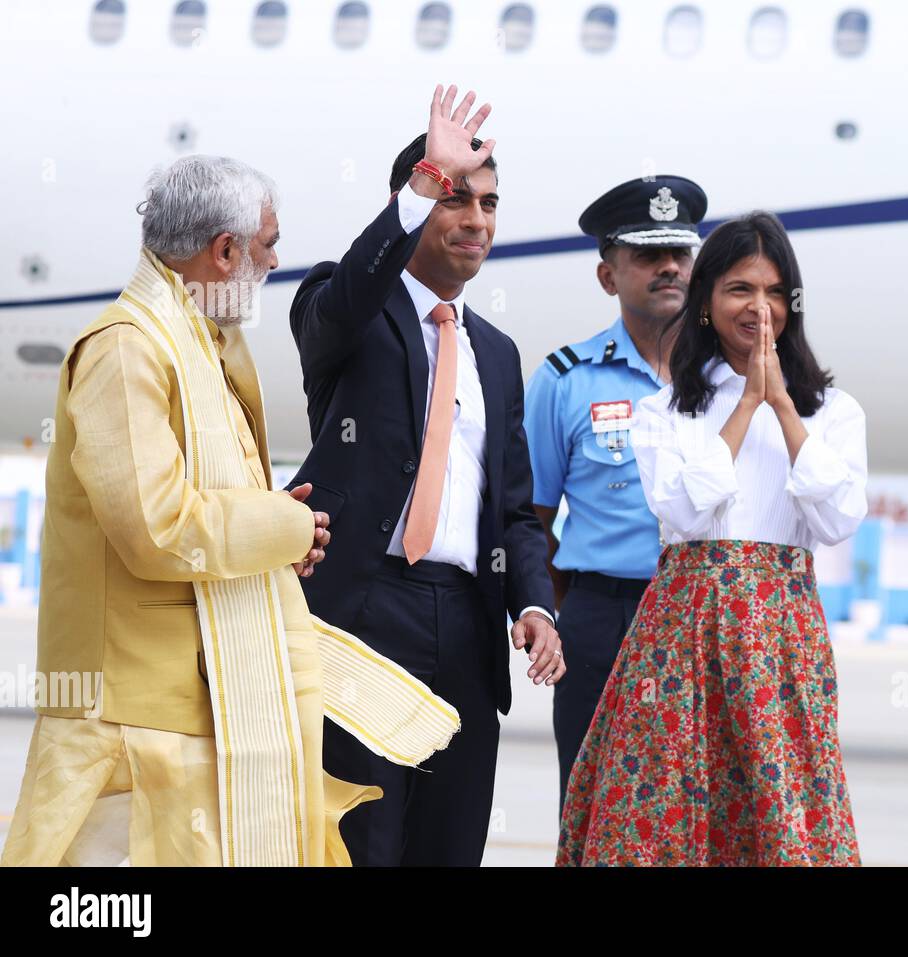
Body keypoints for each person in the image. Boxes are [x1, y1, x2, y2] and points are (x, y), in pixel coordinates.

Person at [1, 156, 458, 868]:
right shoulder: (128, 350)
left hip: (190, 712)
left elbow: (211, 511)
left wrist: (279, 535)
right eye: (268, 244)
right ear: (224, 251)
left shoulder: (201, 346)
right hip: (125, 729)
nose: (276, 260)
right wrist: (285, 527)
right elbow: (157, 528)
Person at [288, 84, 562, 867]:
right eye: (456, 199)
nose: (476, 220)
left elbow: (513, 511)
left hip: (467, 627)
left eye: (488, 204)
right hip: (366, 609)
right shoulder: (344, 310)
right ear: (411, 202)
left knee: (449, 846)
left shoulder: (500, 355)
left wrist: (535, 603)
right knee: (359, 842)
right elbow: (347, 296)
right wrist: (421, 186)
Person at [556, 211, 868, 866]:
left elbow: (838, 520)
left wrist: (783, 406)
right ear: (706, 303)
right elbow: (684, 511)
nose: (759, 307)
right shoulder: (665, 411)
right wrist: (746, 406)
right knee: (665, 801)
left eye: (775, 291)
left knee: (782, 803)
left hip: (780, 637)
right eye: (739, 289)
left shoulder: (833, 412)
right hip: (680, 635)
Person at [524, 175, 708, 808]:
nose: (668, 268)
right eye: (647, 255)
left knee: (697, 808)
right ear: (609, 276)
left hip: (701, 615)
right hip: (602, 618)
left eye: (680, 254)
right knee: (594, 799)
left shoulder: (729, 381)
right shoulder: (565, 380)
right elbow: (532, 517)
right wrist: (570, 609)